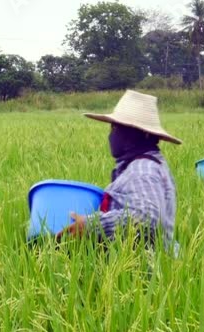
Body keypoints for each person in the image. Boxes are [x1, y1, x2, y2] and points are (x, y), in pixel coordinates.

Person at [58, 90, 181, 254]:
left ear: (137, 133)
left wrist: (91, 225)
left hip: (149, 266)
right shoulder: (143, 164)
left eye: (116, 128)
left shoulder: (143, 170)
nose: (111, 135)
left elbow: (147, 218)